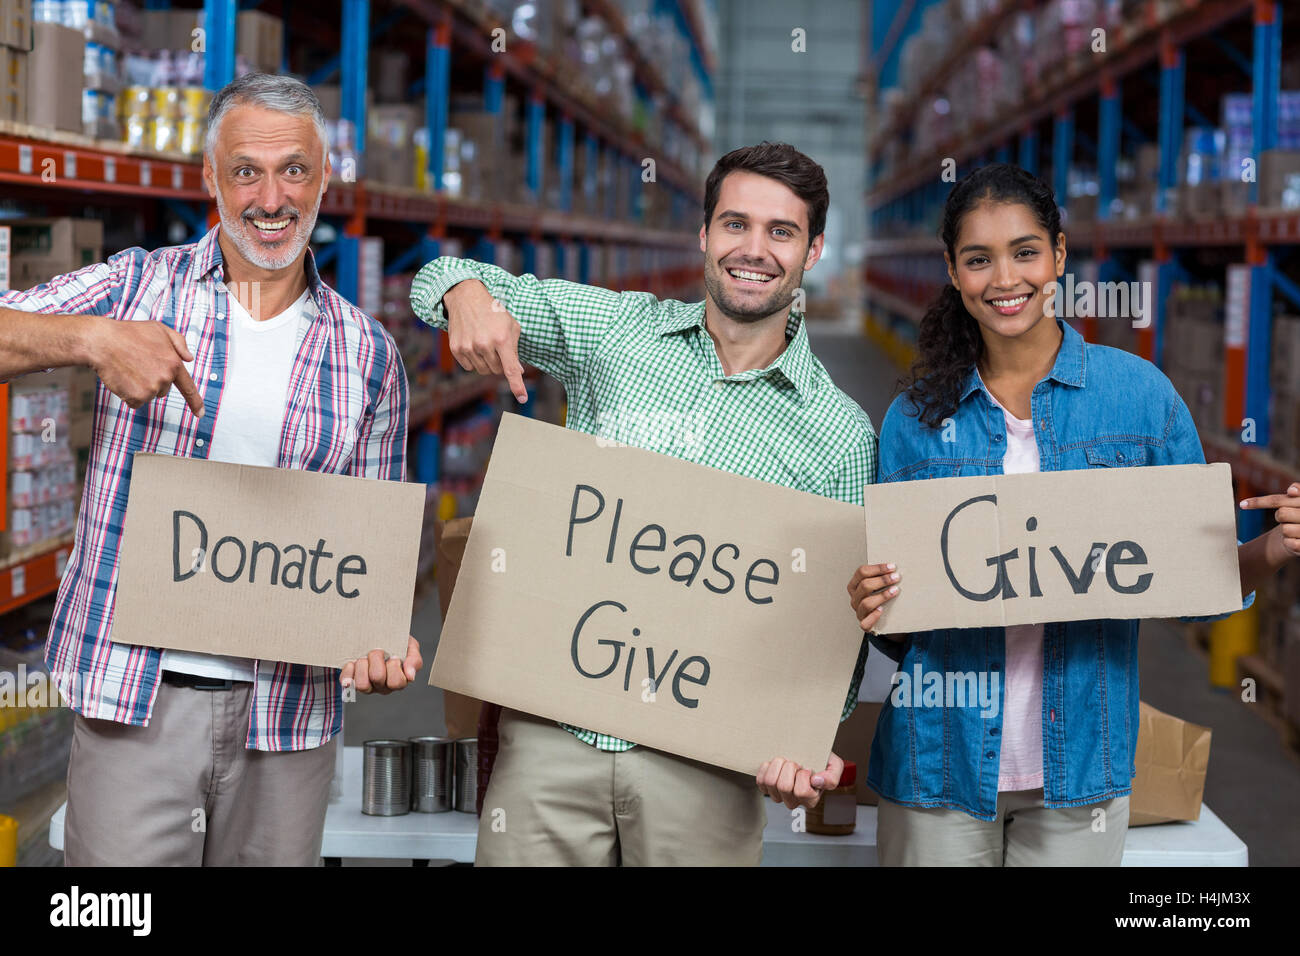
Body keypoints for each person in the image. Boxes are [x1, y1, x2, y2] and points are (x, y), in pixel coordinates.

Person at [411, 141, 893, 865]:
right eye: (735, 224)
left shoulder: (840, 434)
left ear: (814, 250)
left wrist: (806, 738)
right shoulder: (614, 333)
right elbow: (439, 273)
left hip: (703, 755)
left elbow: (834, 628)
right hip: (554, 731)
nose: (753, 249)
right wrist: (467, 300)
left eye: (781, 232)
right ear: (703, 235)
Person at [0, 73, 422, 866]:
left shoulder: (368, 355)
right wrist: (90, 339)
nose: (272, 197)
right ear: (210, 178)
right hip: (138, 704)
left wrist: (382, 641)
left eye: (294, 170)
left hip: (287, 720)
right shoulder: (136, 287)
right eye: (246, 171)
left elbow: (379, 556)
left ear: (325, 177)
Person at [845, 162, 1300, 866]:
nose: (1004, 279)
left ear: (1059, 254)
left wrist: (1273, 548)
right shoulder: (914, 418)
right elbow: (903, 632)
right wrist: (873, 602)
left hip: (1079, 774)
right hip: (934, 767)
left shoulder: (1140, 402)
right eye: (978, 259)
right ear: (952, 270)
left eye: (1025, 252)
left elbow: (1194, 588)